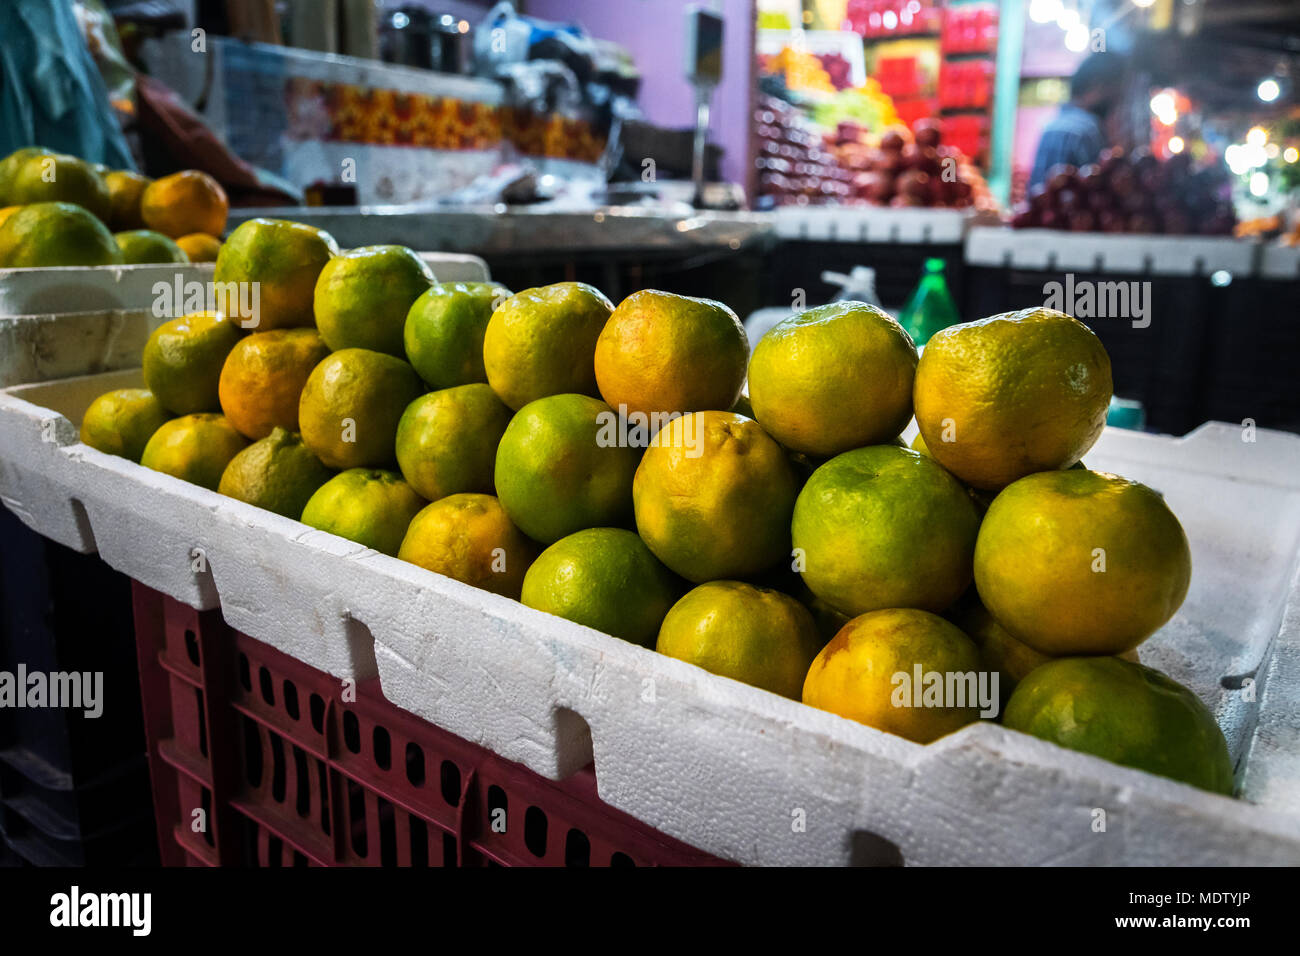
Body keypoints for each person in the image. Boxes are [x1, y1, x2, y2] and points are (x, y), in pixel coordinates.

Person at [1029, 53, 1125, 188]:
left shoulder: (1050, 125)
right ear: (1098, 85)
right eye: (1115, 90)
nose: (1117, 100)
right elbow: (1096, 194)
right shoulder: (1088, 130)